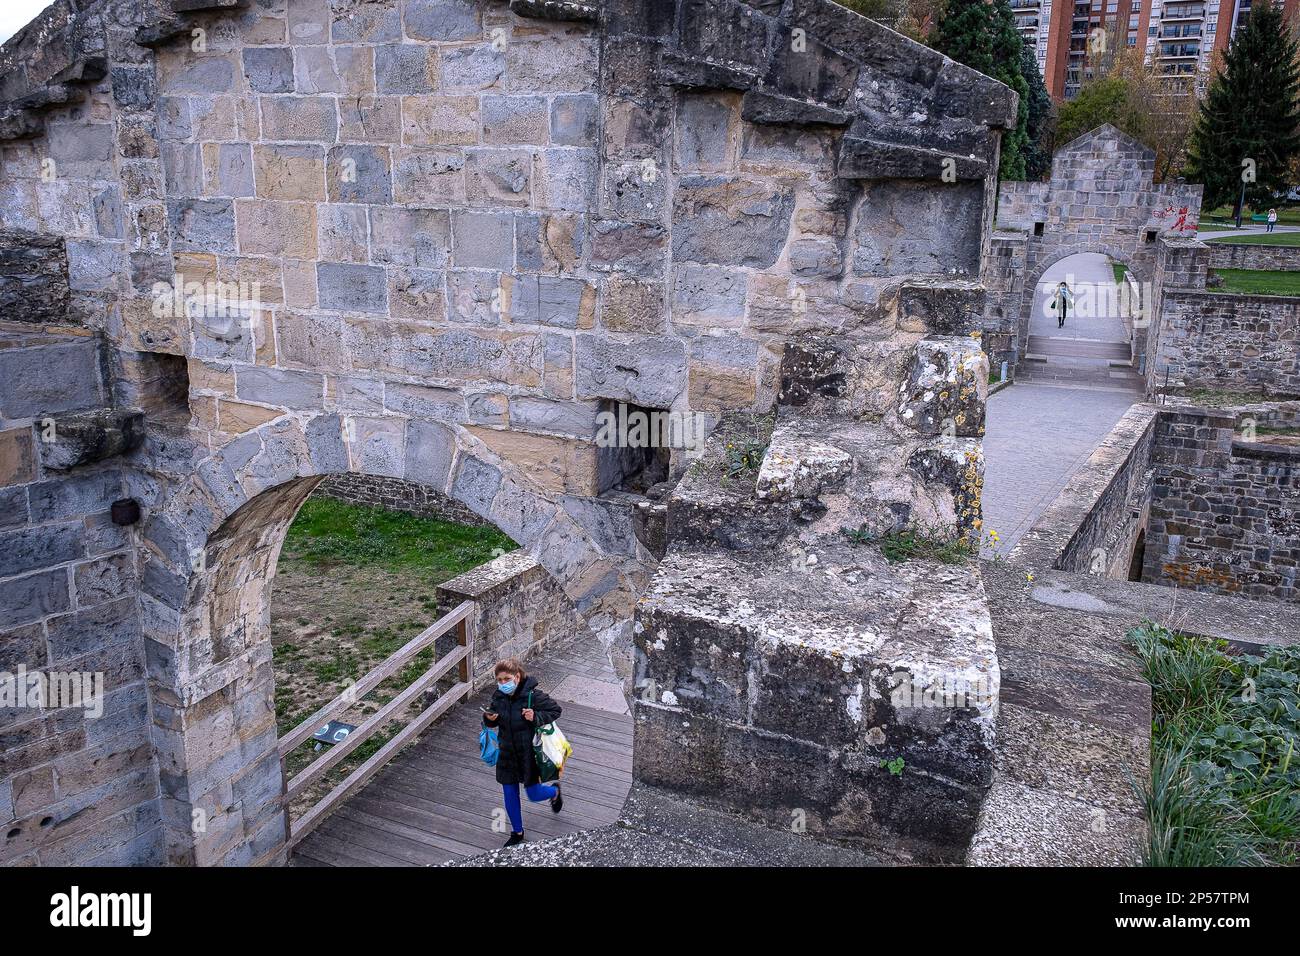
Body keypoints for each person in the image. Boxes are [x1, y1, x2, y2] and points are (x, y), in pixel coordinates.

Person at [481, 658, 563, 847]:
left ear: (517, 677)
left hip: (528, 755)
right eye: (499, 680)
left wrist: (536, 716)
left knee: (533, 794)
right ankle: (517, 832)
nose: (503, 683)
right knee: (509, 793)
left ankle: (554, 792)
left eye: (506, 679)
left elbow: (555, 710)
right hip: (507, 753)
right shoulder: (498, 697)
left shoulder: (532, 696)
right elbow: (494, 721)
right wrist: (489, 719)